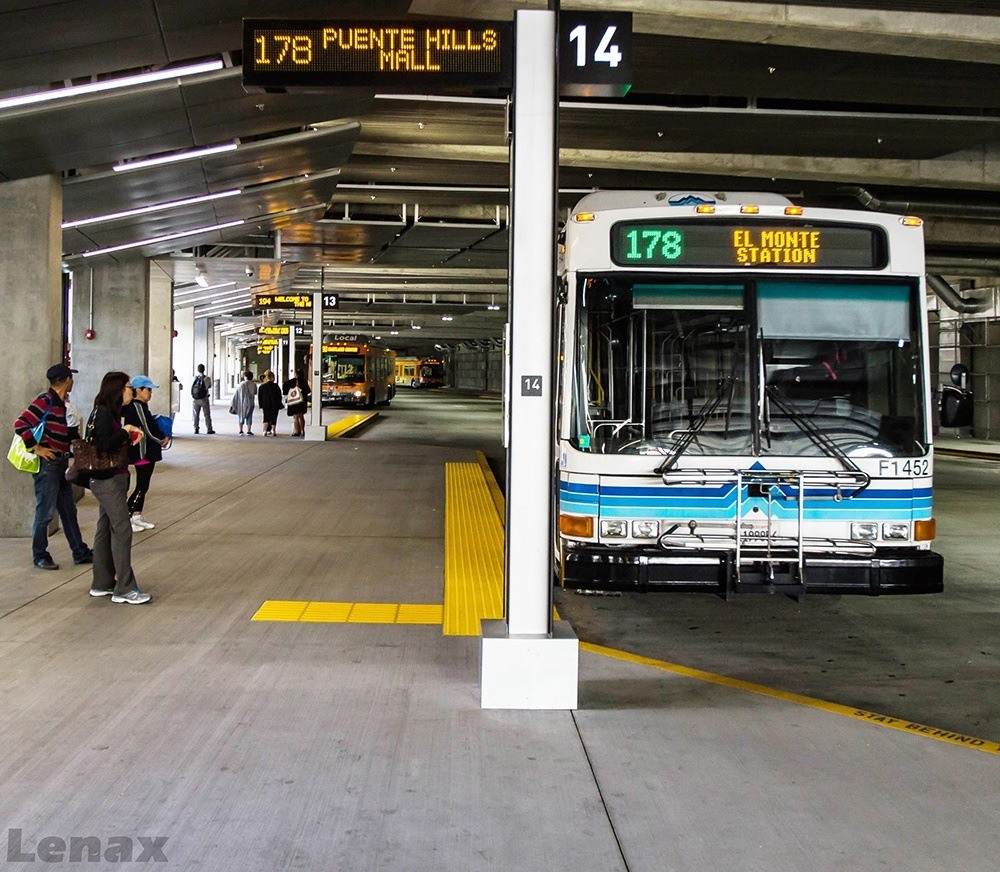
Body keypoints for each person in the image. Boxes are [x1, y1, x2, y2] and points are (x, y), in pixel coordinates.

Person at [13, 363, 93, 570]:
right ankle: (40, 555)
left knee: (68, 511)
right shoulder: (45, 401)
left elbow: (62, 432)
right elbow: (21, 424)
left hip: (60, 464)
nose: (73, 381)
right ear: (66, 380)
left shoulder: (59, 404)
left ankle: (80, 552)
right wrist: (37, 448)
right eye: (71, 378)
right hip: (48, 466)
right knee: (46, 512)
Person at [86, 372, 150, 604]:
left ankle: (102, 582)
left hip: (110, 478)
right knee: (122, 529)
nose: (131, 391)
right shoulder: (103, 413)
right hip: (108, 480)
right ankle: (124, 587)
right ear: (116, 389)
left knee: (105, 528)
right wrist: (126, 430)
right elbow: (103, 446)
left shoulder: (104, 412)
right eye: (127, 387)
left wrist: (125, 436)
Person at [122, 376, 168, 532]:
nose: (150, 393)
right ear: (138, 390)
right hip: (143, 452)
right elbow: (148, 429)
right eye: (148, 390)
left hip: (146, 451)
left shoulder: (141, 406)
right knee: (142, 485)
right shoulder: (137, 407)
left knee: (144, 485)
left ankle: (137, 516)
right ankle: (127, 518)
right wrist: (162, 439)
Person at [283, 369, 310, 438]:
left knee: (295, 417)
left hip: (295, 401)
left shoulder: (292, 381)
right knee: (301, 416)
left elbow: (285, 386)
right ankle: (303, 430)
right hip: (302, 401)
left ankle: (297, 431)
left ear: (296, 374)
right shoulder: (304, 381)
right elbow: (308, 390)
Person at [257, 370, 284, 436]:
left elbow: (259, 397)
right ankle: (273, 430)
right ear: (272, 377)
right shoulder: (276, 386)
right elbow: (279, 396)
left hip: (266, 404)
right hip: (275, 404)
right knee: (274, 417)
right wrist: (279, 404)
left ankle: (264, 431)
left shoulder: (262, 387)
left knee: (266, 417)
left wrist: (261, 405)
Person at [191, 364, 215, 434]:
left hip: (195, 399)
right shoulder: (207, 378)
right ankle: (209, 429)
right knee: (207, 414)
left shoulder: (194, 378)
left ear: (197, 370)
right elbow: (209, 386)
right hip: (204, 399)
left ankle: (196, 429)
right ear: (204, 369)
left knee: (196, 414)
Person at [233, 371, 257, 435]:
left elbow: (237, 394)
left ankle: (241, 430)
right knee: (249, 416)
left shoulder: (242, 384)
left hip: (243, 402)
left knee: (241, 416)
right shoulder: (254, 384)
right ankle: (249, 430)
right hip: (251, 403)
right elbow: (255, 392)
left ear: (245, 377)